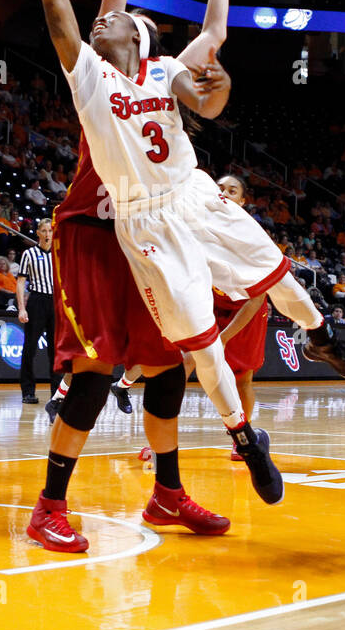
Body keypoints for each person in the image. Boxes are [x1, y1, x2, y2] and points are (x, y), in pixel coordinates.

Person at [16, 0, 345, 543]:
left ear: (137, 36)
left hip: (174, 211)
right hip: (100, 227)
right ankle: (50, 505)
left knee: (168, 365)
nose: (103, 17)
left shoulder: (159, 68)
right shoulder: (89, 71)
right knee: (93, 373)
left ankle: (169, 493)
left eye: (114, 18)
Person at [116, 174, 272, 463]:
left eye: (232, 190)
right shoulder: (194, 225)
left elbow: (256, 297)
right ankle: (159, 443)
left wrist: (222, 339)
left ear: (242, 201)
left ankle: (241, 441)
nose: (224, 192)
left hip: (247, 310)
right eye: (220, 187)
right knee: (181, 367)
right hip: (210, 302)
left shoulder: (253, 234)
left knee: (242, 379)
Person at [15, 219, 56, 405]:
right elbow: (21, 282)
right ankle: (28, 391)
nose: (48, 234)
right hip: (37, 300)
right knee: (30, 348)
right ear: (38, 233)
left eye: (50, 230)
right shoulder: (29, 254)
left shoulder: (59, 253)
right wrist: (22, 308)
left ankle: (57, 393)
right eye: (44, 231)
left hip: (55, 302)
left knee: (56, 351)